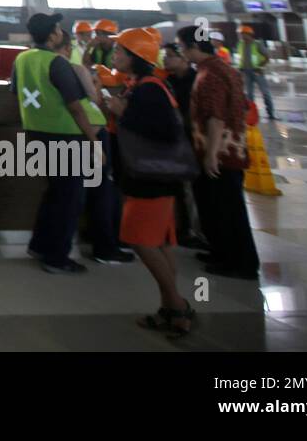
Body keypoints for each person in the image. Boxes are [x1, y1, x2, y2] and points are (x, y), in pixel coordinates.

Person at [104, 27, 194, 338]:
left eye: (120, 52)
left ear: (137, 57)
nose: (114, 56)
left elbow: (163, 132)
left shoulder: (150, 89)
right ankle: (171, 307)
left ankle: (176, 304)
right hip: (153, 176)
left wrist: (122, 113)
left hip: (150, 178)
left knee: (141, 240)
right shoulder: (142, 85)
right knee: (162, 241)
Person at [11, 12, 102, 274]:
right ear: (53, 35)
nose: (61, 32)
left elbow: (15, 91)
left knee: (54, 194)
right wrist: (93, 140)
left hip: (36, 133)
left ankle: (39, 245)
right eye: (58, 29)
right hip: (65, 135)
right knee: (69, 199)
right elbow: (75, 106)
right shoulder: (57, 63)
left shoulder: (22, 59)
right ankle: (56, 257)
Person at [177, 27, 260, 281]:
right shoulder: (224, 68)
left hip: (221, 153)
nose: (180, 51)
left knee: (226, 209)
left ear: (193, 46)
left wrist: (211, 153)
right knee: (215, 206)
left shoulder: (210, 74)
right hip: (229, 148)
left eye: (181, 46)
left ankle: (238, 262)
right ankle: (221, 252)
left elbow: (216, 117)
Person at [56, 31, 133, 265]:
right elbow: (94, 99)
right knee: (102, 190)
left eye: (120, 50)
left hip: (88, 134)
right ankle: (105, 246)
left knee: (96, 190)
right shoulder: (84, 70)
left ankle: (104, 240)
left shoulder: (50, 67)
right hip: (97, 132)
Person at [162, 43, 206, 250]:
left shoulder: (196, 80)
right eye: (165, 56)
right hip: (174, 140)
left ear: (184, 59)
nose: (165, 60)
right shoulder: (168, 80)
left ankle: (197, 232)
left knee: (192, 189)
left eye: (171, 56)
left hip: (192, 140)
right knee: (179, 188)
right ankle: (182, 228)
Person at [236, 25, 275, 121]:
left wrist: (261, 67)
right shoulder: (240, 44)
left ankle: (270, 113)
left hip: (257, 72)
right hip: (246, 72)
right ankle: (251, 114)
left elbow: (267, 56)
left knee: (265, 93)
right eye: (241, 34)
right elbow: (241, 58)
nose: (241, 36)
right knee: (249, 95)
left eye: (243, 34)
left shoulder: (257, 44)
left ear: (249, 34)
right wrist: (240, 69)